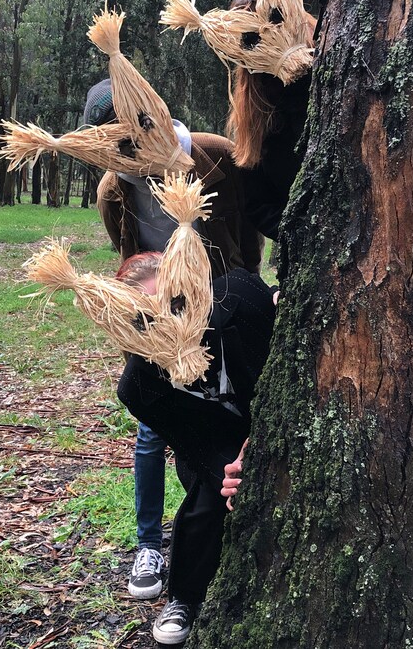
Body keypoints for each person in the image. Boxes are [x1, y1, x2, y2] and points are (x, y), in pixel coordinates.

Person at [85, 79, 263, 601]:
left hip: (226, 307)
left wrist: (250, 290)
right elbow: (128, 249)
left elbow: (248, 235)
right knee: (154, 432)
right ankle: (148, 544)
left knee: (222, 422)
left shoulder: (216, 157)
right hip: (159, 319)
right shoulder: (112, 190)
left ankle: (213, 526)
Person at [115, 253, 276, 644]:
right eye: (147, 319)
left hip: (274, 416)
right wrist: (229, 467)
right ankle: (184, 596)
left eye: (175, 303)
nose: (168, 323)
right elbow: (192, 442)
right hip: (213, 440)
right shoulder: (138, 386)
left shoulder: (242, 295)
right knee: (210, 498)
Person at [225, 0, 317, 240]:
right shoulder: (253, 113)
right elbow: (257, 202)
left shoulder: (332, 71)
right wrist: (297, 236)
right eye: (252, 37)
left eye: (276, 22)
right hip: (305, 249)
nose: (267, 37)